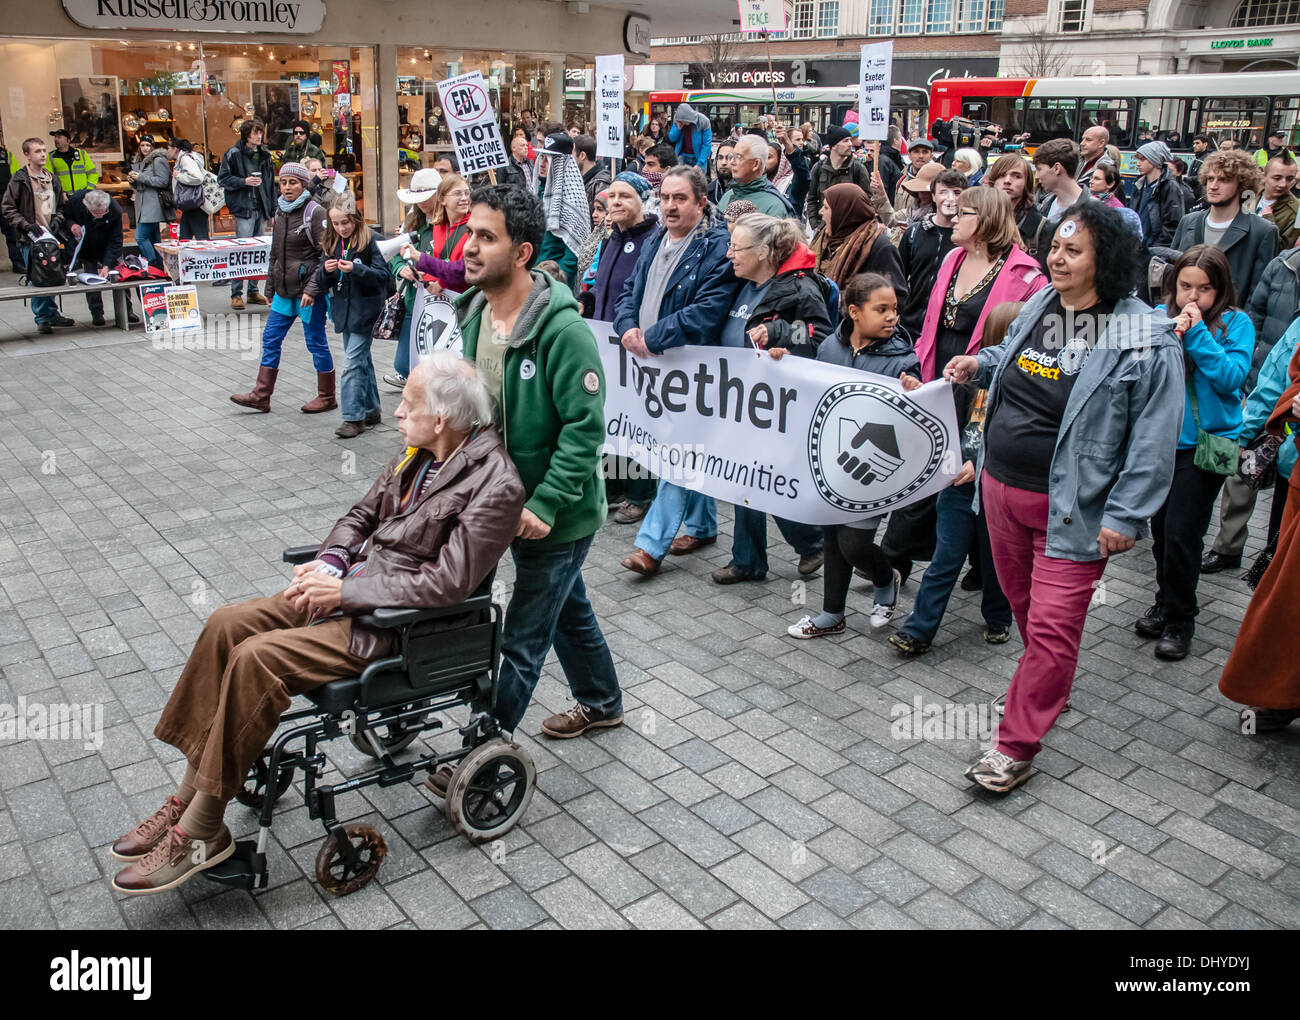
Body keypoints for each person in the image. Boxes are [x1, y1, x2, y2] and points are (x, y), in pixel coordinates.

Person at [109, 354, 525, 894]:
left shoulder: (498, 486)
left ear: (443, 418)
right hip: (352, 593)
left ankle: (202, 831)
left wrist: (346, 591)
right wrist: (331, 563)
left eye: (408, 405)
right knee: (226, 624)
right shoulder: (417, 455)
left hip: (399, 628)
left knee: (256, 658)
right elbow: (359, 515)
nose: (397, 412)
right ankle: (187, 800)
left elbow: (446, 585)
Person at [945, 201, 1184, 793]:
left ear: (1107, 262)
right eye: (1055, 245)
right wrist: (980, 361)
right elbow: (1017, 359)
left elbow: (1154, 440)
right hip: (1000, 492)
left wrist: (1127, 514)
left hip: (1075, 512)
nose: (1056, 256)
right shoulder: (1042, 306)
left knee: (1052, 628)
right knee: (1027, 610)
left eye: (1073, 251)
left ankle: (1014, 744)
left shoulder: (1144, 339)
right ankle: (1045, 684)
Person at [454, 184, 624, 741]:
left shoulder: (564, 331)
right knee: (566, 607)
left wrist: (546, 502)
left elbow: (585, 430)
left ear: (522, 252)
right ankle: (602, 702)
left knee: (525, 633)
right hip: (498, 500)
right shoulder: (475, 313)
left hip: (556, 513)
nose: (469, 248)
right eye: (469, 233)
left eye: (486, 237)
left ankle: (483, 745)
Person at [615, 166, 741, 576]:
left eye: (680, 198)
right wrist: (628, 328)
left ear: (701, 203)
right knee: (685, 446)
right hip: (655, 367)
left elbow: (707, 311)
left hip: (692, 369)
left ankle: (651, 547)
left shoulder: (716, 247)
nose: (669, 206)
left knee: (679, 452)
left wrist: (653, 336)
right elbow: (629, 292)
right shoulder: (655, 239)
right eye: (665, 197)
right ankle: (703, 526)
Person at [1132, 246, 1253, 660]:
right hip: (1162, 439)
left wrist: (1197, 333)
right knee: (1163, 530)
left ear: (1219, 289)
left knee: (1184, 533)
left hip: (1205, 445)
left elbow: (1231, 378)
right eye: (1185, 287)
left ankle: (1182, 618)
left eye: (1204, 289)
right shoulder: (1159, 318)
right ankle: (1165, 599)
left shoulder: (1236, 324)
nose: (1193, 297)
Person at [787, 274, 921, 638]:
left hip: (872, 469)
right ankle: (832, 614)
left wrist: (915, 390)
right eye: (882, 309)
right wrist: (780, 361)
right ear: (854, 312)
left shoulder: (902, 360)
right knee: (833, 535)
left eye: (894, 308)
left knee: (854, 542)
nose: (892, 316)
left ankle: (885, 577)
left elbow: (917, 413)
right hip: (833, 459)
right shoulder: (830, 348)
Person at [888, 301, 1020, 657]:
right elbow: (940, 418)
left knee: (995, 559)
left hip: (994, 487)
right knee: (945, 558)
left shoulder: (1024, 390)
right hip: (958, 487)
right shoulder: (967, 382)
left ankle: (998, 618)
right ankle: (918, 630)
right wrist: (915, 387)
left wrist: (981, 464)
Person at [710, 213, 831, 584]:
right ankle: (751, 559)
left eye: (737, 247)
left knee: (762, 478)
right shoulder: (740, 282)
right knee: (746, 478)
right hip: (742, 397)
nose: (729, 254)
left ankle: (810, 541)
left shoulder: (799, 288)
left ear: (763, 252)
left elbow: (822, 337)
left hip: (776, 403)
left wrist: (779, 332)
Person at [1218, 340, 1300, 732]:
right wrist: (1291, 406)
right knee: (1284, 595)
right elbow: (1280, 377)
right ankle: (1283, 694)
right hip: (1294, 475)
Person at [1206, 243, 1300, 573]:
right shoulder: (1283, 266)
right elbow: (1256, 316)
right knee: (1242, 474)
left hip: (1279, 406)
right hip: (1265, 380)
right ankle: (1230, 549)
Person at [230, 163, 333, 415]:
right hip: (284, 293)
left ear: (304, 184)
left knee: (316, 342)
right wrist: (269, 288)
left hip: (309, 294)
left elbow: (326, 256)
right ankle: (261, 395)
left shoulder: (315, 212)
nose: (287, 187)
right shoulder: (280, 211)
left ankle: (327, 396)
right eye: (283, 182)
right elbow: (275, 253)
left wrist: (311, 289)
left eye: (293, 182)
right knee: (270, 338)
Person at [589, 172, 658, 524]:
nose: (614, 202)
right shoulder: (611, 238)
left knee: (635, 418)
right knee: (611, 413)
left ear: (642, 202)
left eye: (625, 196)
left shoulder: (652, 240)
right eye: (611, 195)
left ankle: (641, 491)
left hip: (633, 344)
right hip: (605, 342)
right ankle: (615, 482)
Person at [310, 197, 391, 438]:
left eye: (345, 222)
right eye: (335, 223)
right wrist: (325, 272)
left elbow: (383, 276)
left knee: (352, 363)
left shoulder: (372, 240)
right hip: (343, 311)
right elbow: (323, 281)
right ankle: (372, 408)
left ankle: (352, 417)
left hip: (366, 311)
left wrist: (357, 269)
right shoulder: (331, 242)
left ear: (355, 218)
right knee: (361, 360)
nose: (341, 228)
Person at [1157, 150, 1276, 313]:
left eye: (1224, 180)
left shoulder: (1262, 231)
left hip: (1229, 327)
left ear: (1242, 184)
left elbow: (1257, 296)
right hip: (1183, 320)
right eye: (1210, 179)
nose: (1213, 186)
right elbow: (1174, 277)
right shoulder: (1188, 221)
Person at [1, 137, 70, 334]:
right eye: (37, 151)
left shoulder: (52, 178)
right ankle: (42, 318)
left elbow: (62, 206)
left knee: (53, 276)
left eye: (43, 150)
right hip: (30, 238)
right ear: (27, 155)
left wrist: (58, 219)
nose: (42, 154)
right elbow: (8, 208)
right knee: (37, 278)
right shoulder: (19, 179)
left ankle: (52, 314)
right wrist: (26, 226)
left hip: (50, 236)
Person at [897, 168, 966, 339]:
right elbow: (898, 277)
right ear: (934, 196)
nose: (950, 198)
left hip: (946, 330)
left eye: (957, 192)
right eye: (943, 192)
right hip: (910, 325)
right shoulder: (914, 233)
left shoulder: (967, 240)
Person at [814, 181, 907, 301]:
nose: (820, 212)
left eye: (826, 207)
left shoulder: (879, 247)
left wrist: (846, 302)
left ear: (843, 212)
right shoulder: (825, 240)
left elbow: (897, 296)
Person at [219, 120, 277, 310]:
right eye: (254, 133)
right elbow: (223, 179)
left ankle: (253, 290)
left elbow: (270, 185)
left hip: (260, 207)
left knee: (258, 251)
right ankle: (236, 293)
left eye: (260, 132)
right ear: (246, 135)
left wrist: (273, 209)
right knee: (241, 251)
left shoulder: (265, 155)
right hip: (244, 208)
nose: (258, 136)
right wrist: (244, 181)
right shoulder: (233, 153)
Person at [62, 188, 140, 325]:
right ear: (86, 206)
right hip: (86, 243)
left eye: (102, 212)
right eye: (95, 213)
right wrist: (72, 225)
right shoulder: (76, 201)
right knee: (90, 278)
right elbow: (66, 217)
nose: (99, 215)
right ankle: (96, 313)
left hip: (107, 241)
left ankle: (127, 310)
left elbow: (115, 240)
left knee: (119, 274)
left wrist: (107, 265)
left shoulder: (114, 209)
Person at [535, 132, 588, 287]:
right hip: (532, 277)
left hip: (554, 285)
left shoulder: (573, 199)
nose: (542, 163)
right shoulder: (539, 192)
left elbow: (574, 254)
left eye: (548, 159)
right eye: (542, 157)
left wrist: (554, 282)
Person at [804, 125, 871, 233]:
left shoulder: (858, 169)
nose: (850, 144)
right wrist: (815, 224)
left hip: (849, 231)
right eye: (845, 141)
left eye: (850, 140)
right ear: (834, 145)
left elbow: (866, 200)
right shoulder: (818, 168)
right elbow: (811, 198)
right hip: (823, 229)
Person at [986, 153, 1048, 261]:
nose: (1007, 181)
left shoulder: (1042, 228)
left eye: (1016, 176)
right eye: (1001, 175)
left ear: (1026, 183)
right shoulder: (978, 220)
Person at [719, 134, 797, 219]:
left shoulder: (774, 207)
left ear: (756, 164)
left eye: (738, 157)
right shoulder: (727, 197)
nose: (732, 162)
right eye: (732, 156)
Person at [1130, 141, 1186, 256]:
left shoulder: (1169, 187)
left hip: (1152, 251)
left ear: (1154, 160)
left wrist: (1156, 250)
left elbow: (1172, 225)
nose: (1138, 164)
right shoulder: (1139, 184)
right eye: (1138, 159)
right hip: (1137, 249)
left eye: (1142, 159)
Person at [128, 135, 170, 265]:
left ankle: (152, 263)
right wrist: (133, 182)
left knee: (140, 236)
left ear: (153, 146)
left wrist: (140, 177)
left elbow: (163, 181)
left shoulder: (158, 160)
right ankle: (160, 266)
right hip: (143, 204)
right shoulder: (140, 162)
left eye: (148, 145)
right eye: (142, 145)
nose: (145, 148)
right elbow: (141, 183)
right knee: (154, 238)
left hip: (153, 203)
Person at [1032, 138, 1085, 224]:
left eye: (1039, 169)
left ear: (1057, 168)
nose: (1036, 176)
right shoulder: (1045, 205)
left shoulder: (1093, 213)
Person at [1088, 162, 1143, 236]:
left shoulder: (1117, 208)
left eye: (1097, 179)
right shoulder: (1086, 199)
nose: (1091, 181)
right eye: (1092, 177)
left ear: (1110, 184)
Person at [1257, 154, 1299, 250]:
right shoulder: (1249, 194)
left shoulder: (1296, 211)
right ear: (1264, 177)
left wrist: (1268, 220)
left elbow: (1283, 251)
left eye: (1289, 179)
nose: (1283, 184)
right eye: (1277, 178)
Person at [169, 138, 209, 240]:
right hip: (191, 204)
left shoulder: (185, 159)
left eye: (168, 148)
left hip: (194, 203)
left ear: (175, 149)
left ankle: (208, 255)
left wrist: (179, 176)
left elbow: (197, 177)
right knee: (185, 238)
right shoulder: (184, 158)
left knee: (201, 238)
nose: (167, 151)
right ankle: (186, 256)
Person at [575, 189, 609, 298]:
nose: (594, 214)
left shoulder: (610, 241)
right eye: (594, 209)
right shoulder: (594, 236)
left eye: (600, 209)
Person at [44, 128, 97, 193]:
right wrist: (59, 194)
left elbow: (92, 174)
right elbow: (48, 179)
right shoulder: (51, 157)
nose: (56, 140)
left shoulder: (81, 154)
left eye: (59, 137)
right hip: (64, 198)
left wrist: (88, 190)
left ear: (68, 141)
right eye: (55, 137)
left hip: (82, 196)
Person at [669, 102, 712, 170]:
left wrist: (700, 163)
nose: (684, 123)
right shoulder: (677, 119)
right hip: (682, 156)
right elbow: (672, 138)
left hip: (698, 157)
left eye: (685, 121)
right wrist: (678, 129)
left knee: (698, 179)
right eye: (682, 121)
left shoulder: (704, 121)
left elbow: (706, 144)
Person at [573, 134, 610, 210]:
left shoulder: (600, 184)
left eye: (572, 154)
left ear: (582, 155)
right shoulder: (579, 179)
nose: (570, 159)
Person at [709, 140, 736, 205]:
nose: (723, 163)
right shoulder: (707, 192)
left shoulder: (744, 192)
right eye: (720, 158)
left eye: (729, 158)